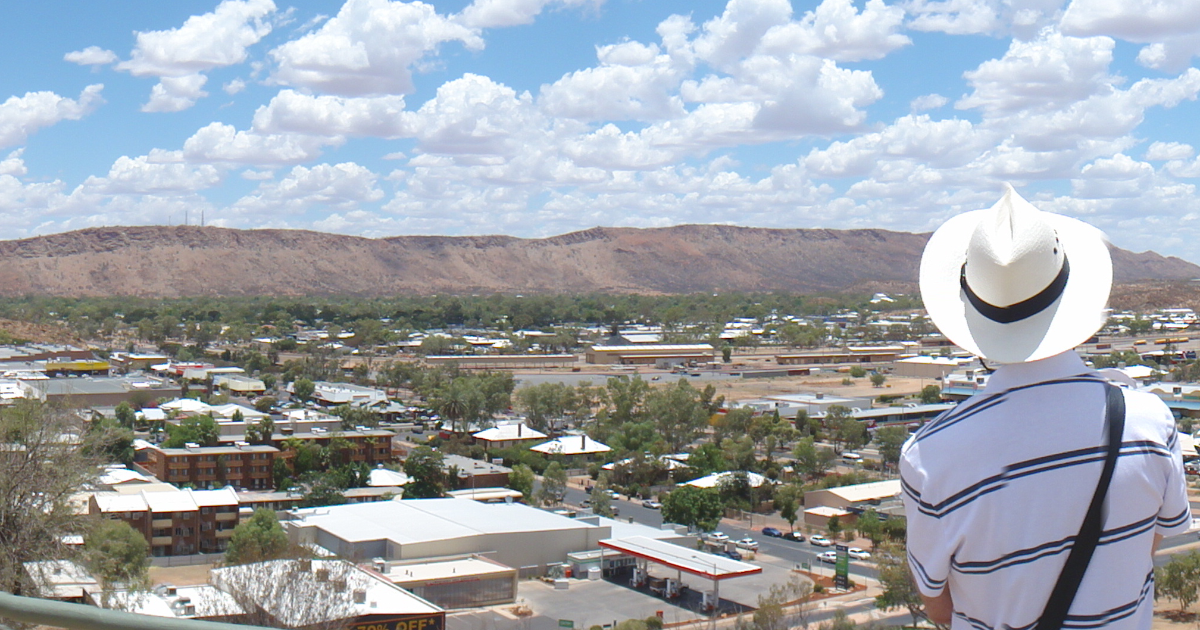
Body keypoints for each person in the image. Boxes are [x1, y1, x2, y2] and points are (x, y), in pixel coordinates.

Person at [901, 186, 1189, 629]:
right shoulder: (1150, 421)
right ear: (1071, 295)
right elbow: (1148, 545)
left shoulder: (930, 456)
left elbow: (938, 605)